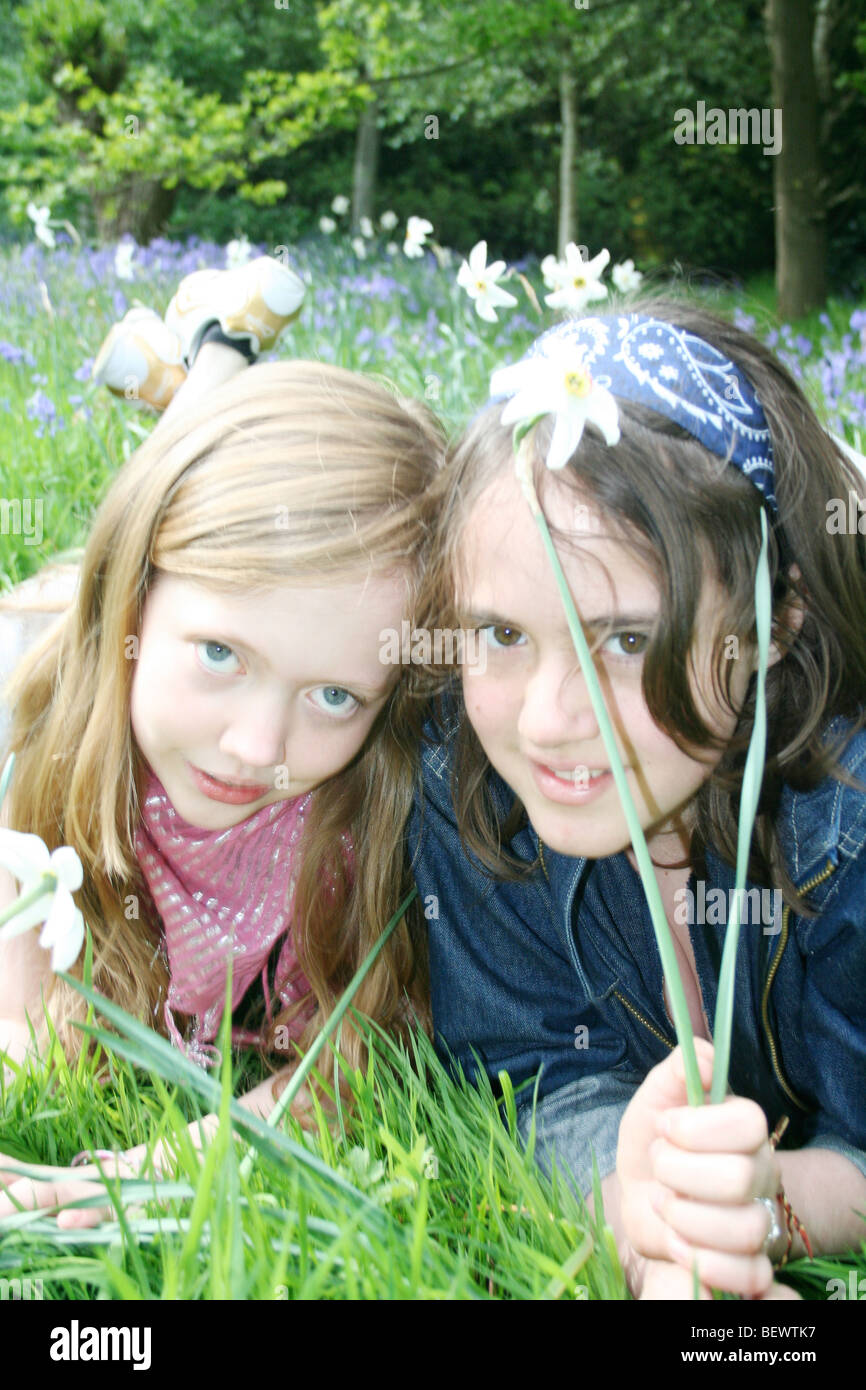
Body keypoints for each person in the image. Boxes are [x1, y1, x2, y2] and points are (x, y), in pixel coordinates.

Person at [408, 297, 866, 1298]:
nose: (542, 721)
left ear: (776, 617)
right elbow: (530, 1069)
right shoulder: (467, 790)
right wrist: (632, 1201)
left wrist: (754, 1209)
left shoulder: (848, 821)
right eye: (501, 634)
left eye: (623, 639)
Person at [0, 256, 442, 1224]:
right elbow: (25, 1030)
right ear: (138, 602)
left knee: (182, 504)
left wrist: (174, 1163)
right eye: (218, 653)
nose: (255, 745)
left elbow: (352, 1063)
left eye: (333, 692)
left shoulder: (377, 796)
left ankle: (212, 356)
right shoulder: (38, 708)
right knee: (151, 498)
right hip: (83, 610)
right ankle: (214, 362)